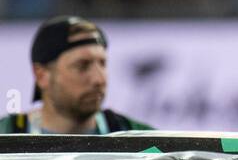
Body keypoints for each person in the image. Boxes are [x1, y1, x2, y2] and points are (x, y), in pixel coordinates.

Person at [0, 15, 153, 134]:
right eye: (82, 66)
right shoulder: (6, 136)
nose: (98, 79)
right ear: (42, 75)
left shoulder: (143, 142)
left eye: (102, 63)